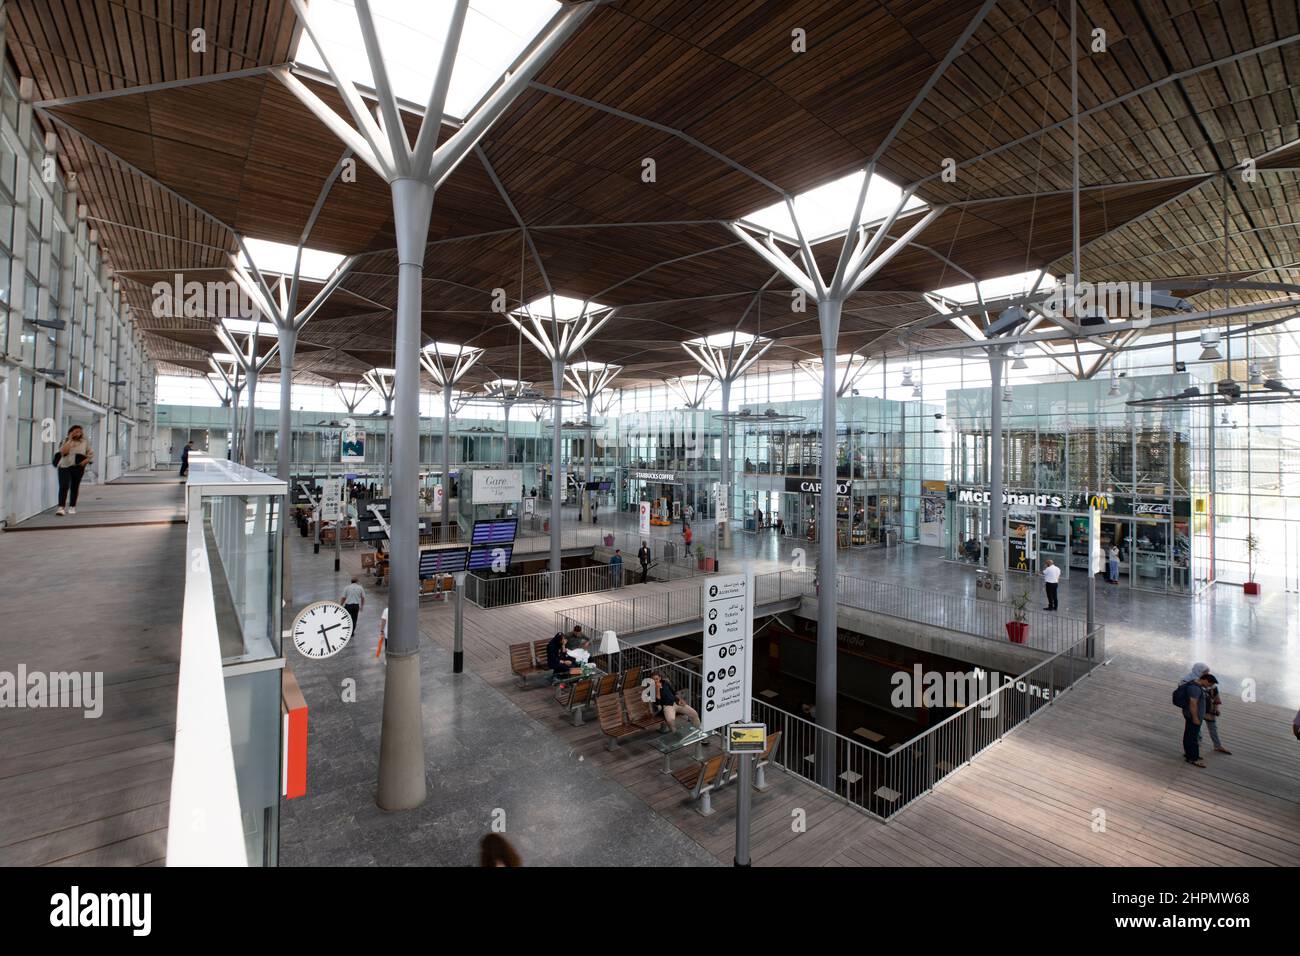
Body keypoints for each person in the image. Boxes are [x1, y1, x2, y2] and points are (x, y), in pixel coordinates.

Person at [1176, 664, 1215, 767]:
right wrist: (1195, 718)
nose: (1209, 686)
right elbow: (1193, 704)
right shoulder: (1195, 687)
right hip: (1192, 715)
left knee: (1189, 734)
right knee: (1192, 737)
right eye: (1205, 672)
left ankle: (1189, 754)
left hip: (1191, 714)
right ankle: (1193, 758)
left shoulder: (1194, 682)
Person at [54, 425, 94, 516]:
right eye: (76, 431)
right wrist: (70, 440)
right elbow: (63, 452)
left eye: (80, 432)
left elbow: (90, 454)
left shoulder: (84, 442)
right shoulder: (65, 441)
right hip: (64, 466)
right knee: (63, 486)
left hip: (78, 467)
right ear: (70, 432)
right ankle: (61, 507)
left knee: (74, 487)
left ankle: (72, 506)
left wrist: (84, 462)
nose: (78, 433)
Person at [1202, 678, 1230, 754]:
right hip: (1199, 711)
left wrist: (1216, 709)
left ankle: (1217, 746)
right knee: (1197, 729)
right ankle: (1196, 744)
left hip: (1210, 711)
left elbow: (1216, 699)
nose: (1211, 685)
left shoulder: (1213, 687)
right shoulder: (1197, 686)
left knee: (1213, 728)